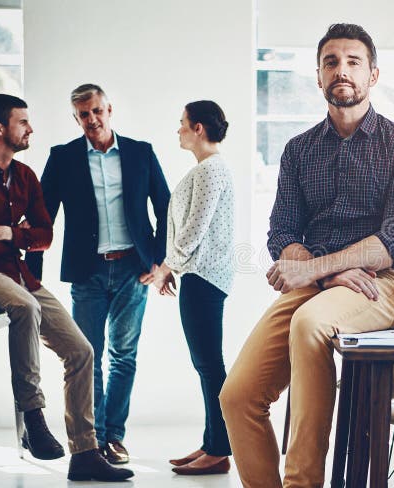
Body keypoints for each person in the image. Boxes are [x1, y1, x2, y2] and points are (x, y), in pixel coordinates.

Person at [219, 23, 394, 487]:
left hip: (380, 288)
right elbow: (282, 234)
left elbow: (392, 243)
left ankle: (303, 483)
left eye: (353, 61)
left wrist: (314, 269)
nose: (342, 70)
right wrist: (328, 277)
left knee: (311, 322)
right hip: (318, 288)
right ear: (318, 77)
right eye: (331, 62)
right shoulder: (298, 151)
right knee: (237, 397)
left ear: (373, 74)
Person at [0, 94, 133, 482]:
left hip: (19, 278)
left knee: (82, 351)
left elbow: (45, 235)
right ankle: (32, 414)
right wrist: (21, 236)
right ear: (0, 128)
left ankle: (84, 454)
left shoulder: (26, 176)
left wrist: (9, 232)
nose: (31, 129)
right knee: (25, 308)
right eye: (23, 122)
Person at [25, 84, 171, 464]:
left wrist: (156, 260)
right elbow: (43, 217)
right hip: (87, 271)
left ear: (109, 110)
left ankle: (114, 436)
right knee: (87, 355)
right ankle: (95, 438)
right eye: (83, 115)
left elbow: (165, 206)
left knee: (124, 355)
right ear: (76, 118)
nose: (91, 120)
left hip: (132, 269)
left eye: (96, 111)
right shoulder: (64, 157)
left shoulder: (141, 152)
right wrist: (30, 277)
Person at [151, 100, 234, 475]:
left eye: (182, 123)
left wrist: (166, 267)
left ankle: (219, 449)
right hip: (198, 276)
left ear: (198, 128)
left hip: (204, 278)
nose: (178, 130)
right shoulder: (206, 170)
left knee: (209, 365)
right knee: (206, 365)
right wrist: (173, 267)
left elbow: (194, 229)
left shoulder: (211, 170)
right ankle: (211, 443)